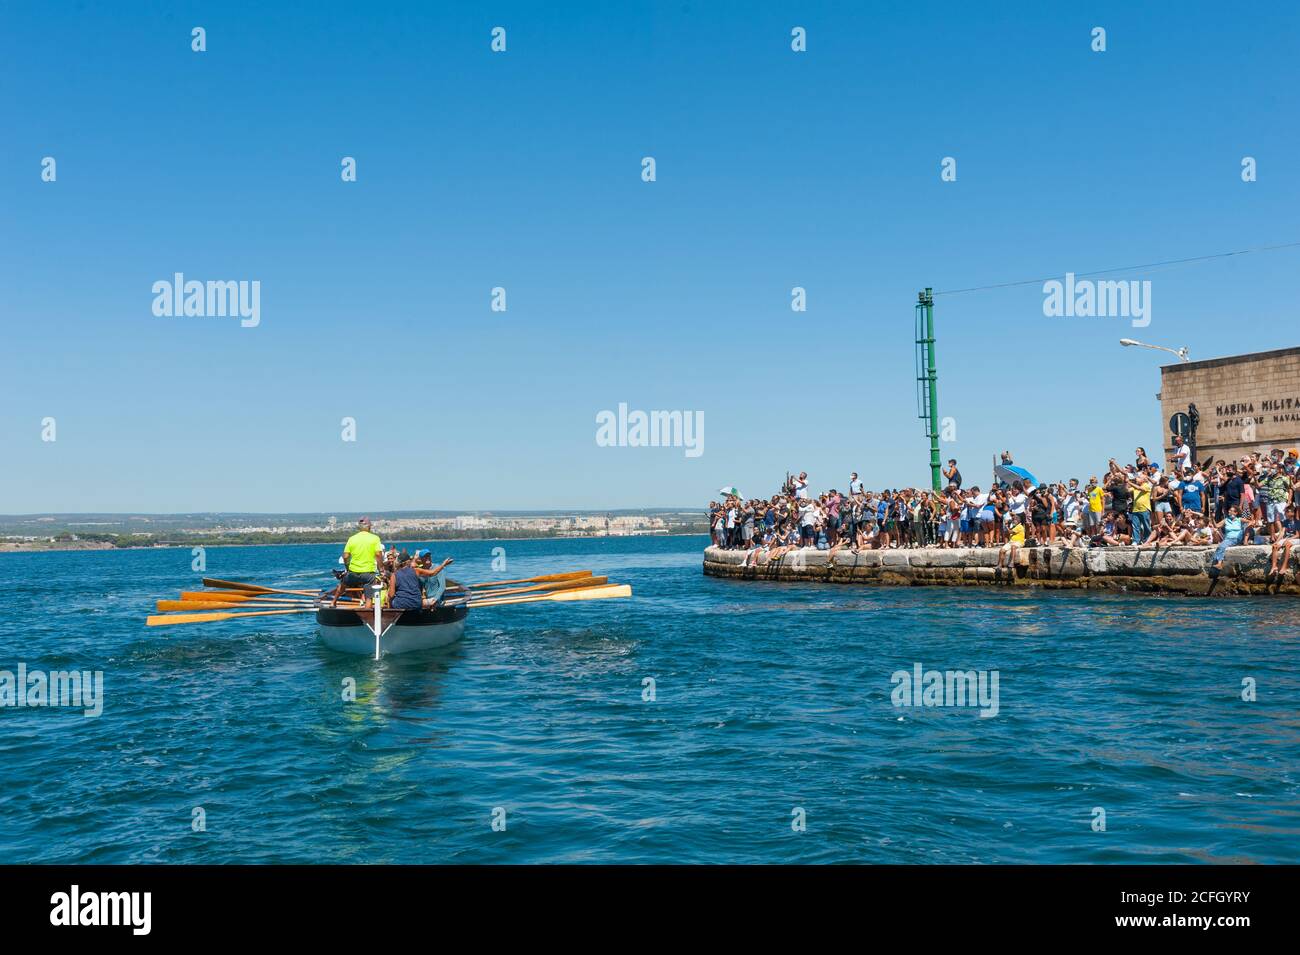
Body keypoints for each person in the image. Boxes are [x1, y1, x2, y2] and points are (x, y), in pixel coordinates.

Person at [332, 517, 384, 608]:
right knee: (369, 597)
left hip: (353, 572)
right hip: (368, 573)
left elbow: (345, 556)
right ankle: (367, 612)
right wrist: (381, 570)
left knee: (342, 585)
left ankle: (333, 602)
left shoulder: (352, 539)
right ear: (369, 527)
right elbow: (379, 555)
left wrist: (347, 568)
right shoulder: (375, 538)